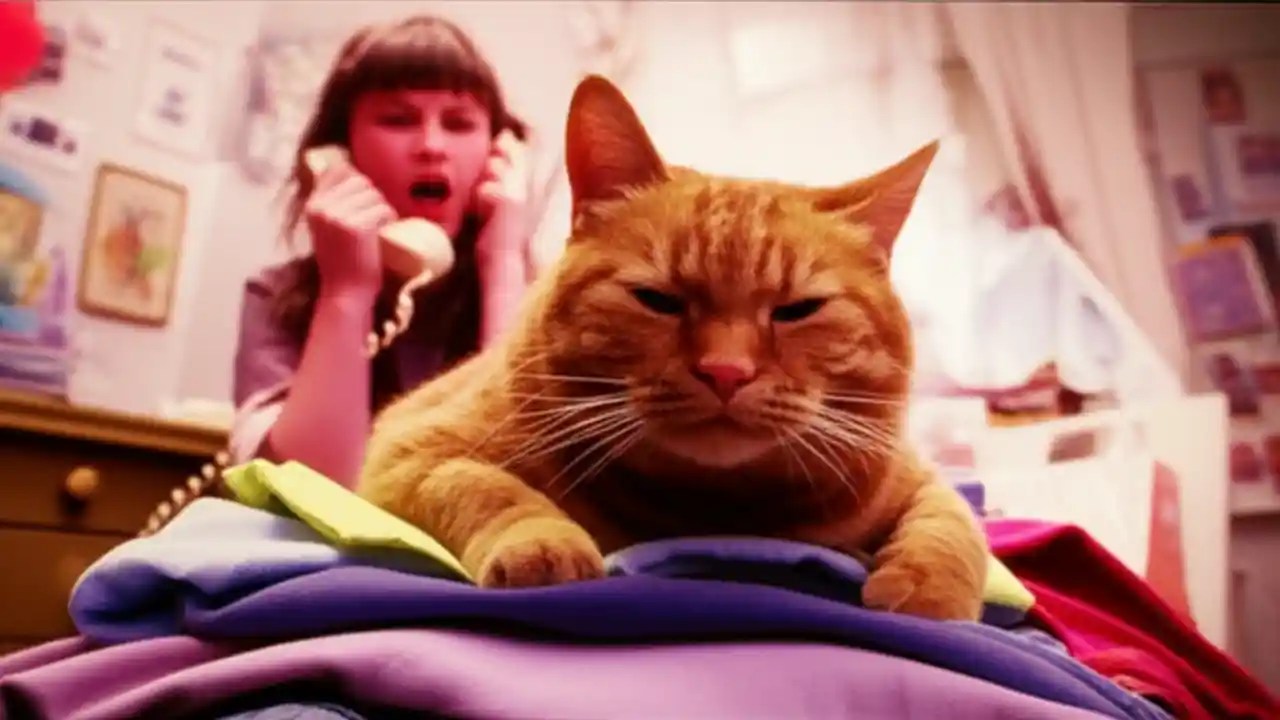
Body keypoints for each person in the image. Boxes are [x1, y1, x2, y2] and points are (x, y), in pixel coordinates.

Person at [230, 15, 536, 488]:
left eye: (458, 124)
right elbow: (310, 487)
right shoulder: (274, 296)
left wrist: (504, 263)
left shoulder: (534, 297)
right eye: (397, 120)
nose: (432, 146)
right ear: (339, 153)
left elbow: (528, 472)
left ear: (500, 153)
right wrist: (347, 291)